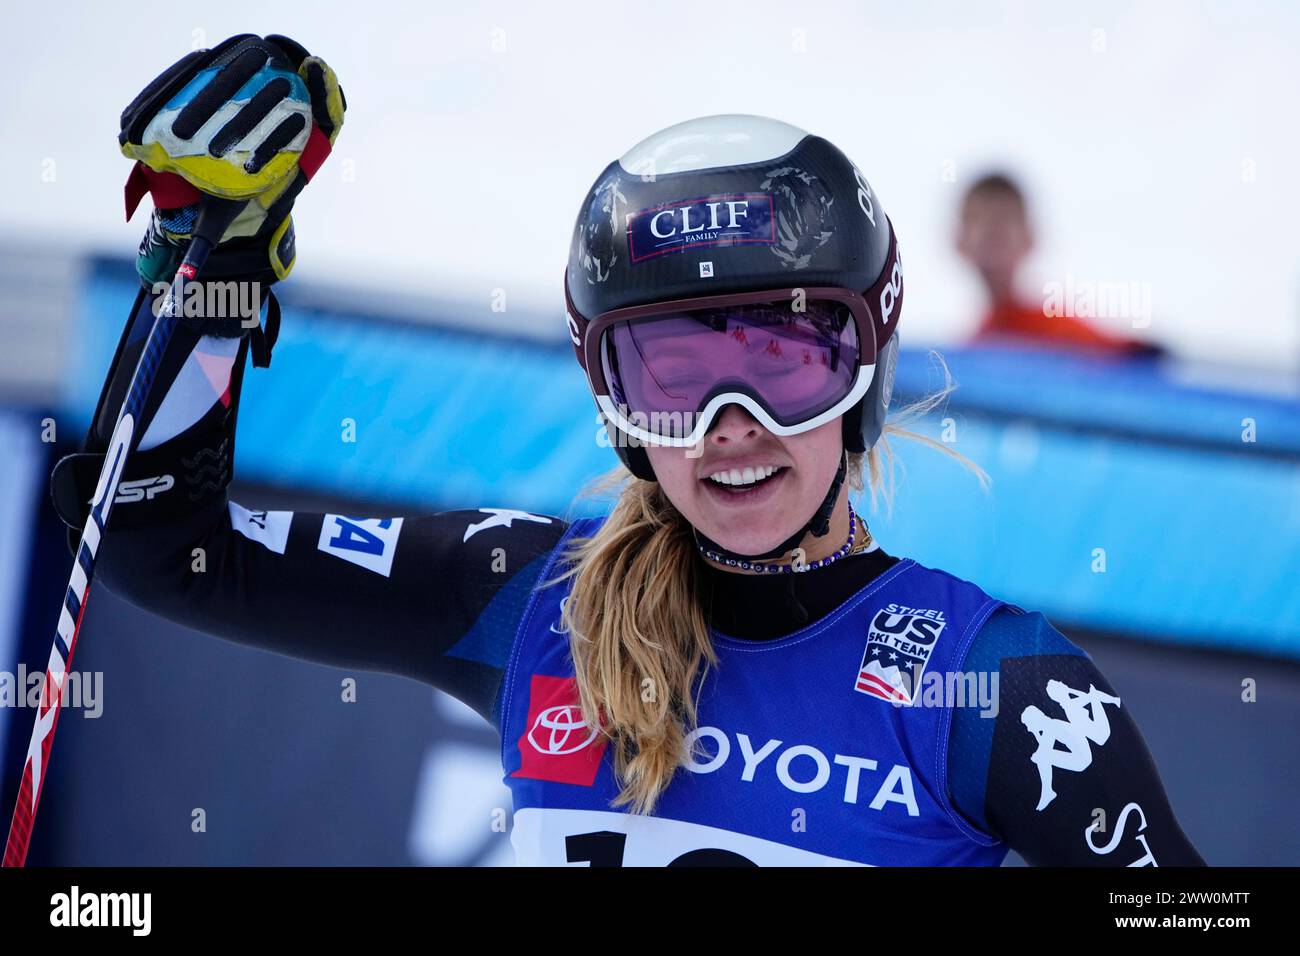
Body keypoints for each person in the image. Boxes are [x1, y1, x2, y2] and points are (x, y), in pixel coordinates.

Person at [54, 35, 1203, 866]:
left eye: (786, 358)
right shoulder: (524, 599)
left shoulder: (996, 688)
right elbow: (165, 545)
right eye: (674, 377)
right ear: (611, 399)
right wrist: (212, 270)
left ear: (865, 367)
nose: (731, 426)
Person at [955, 172, 1157, 352]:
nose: (990, 232)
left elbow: (1134, 355)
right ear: (958, 240)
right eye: (976, 220)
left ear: (1029, 238)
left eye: (1003, 222)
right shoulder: (976, 344)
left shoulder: (1055, 329)